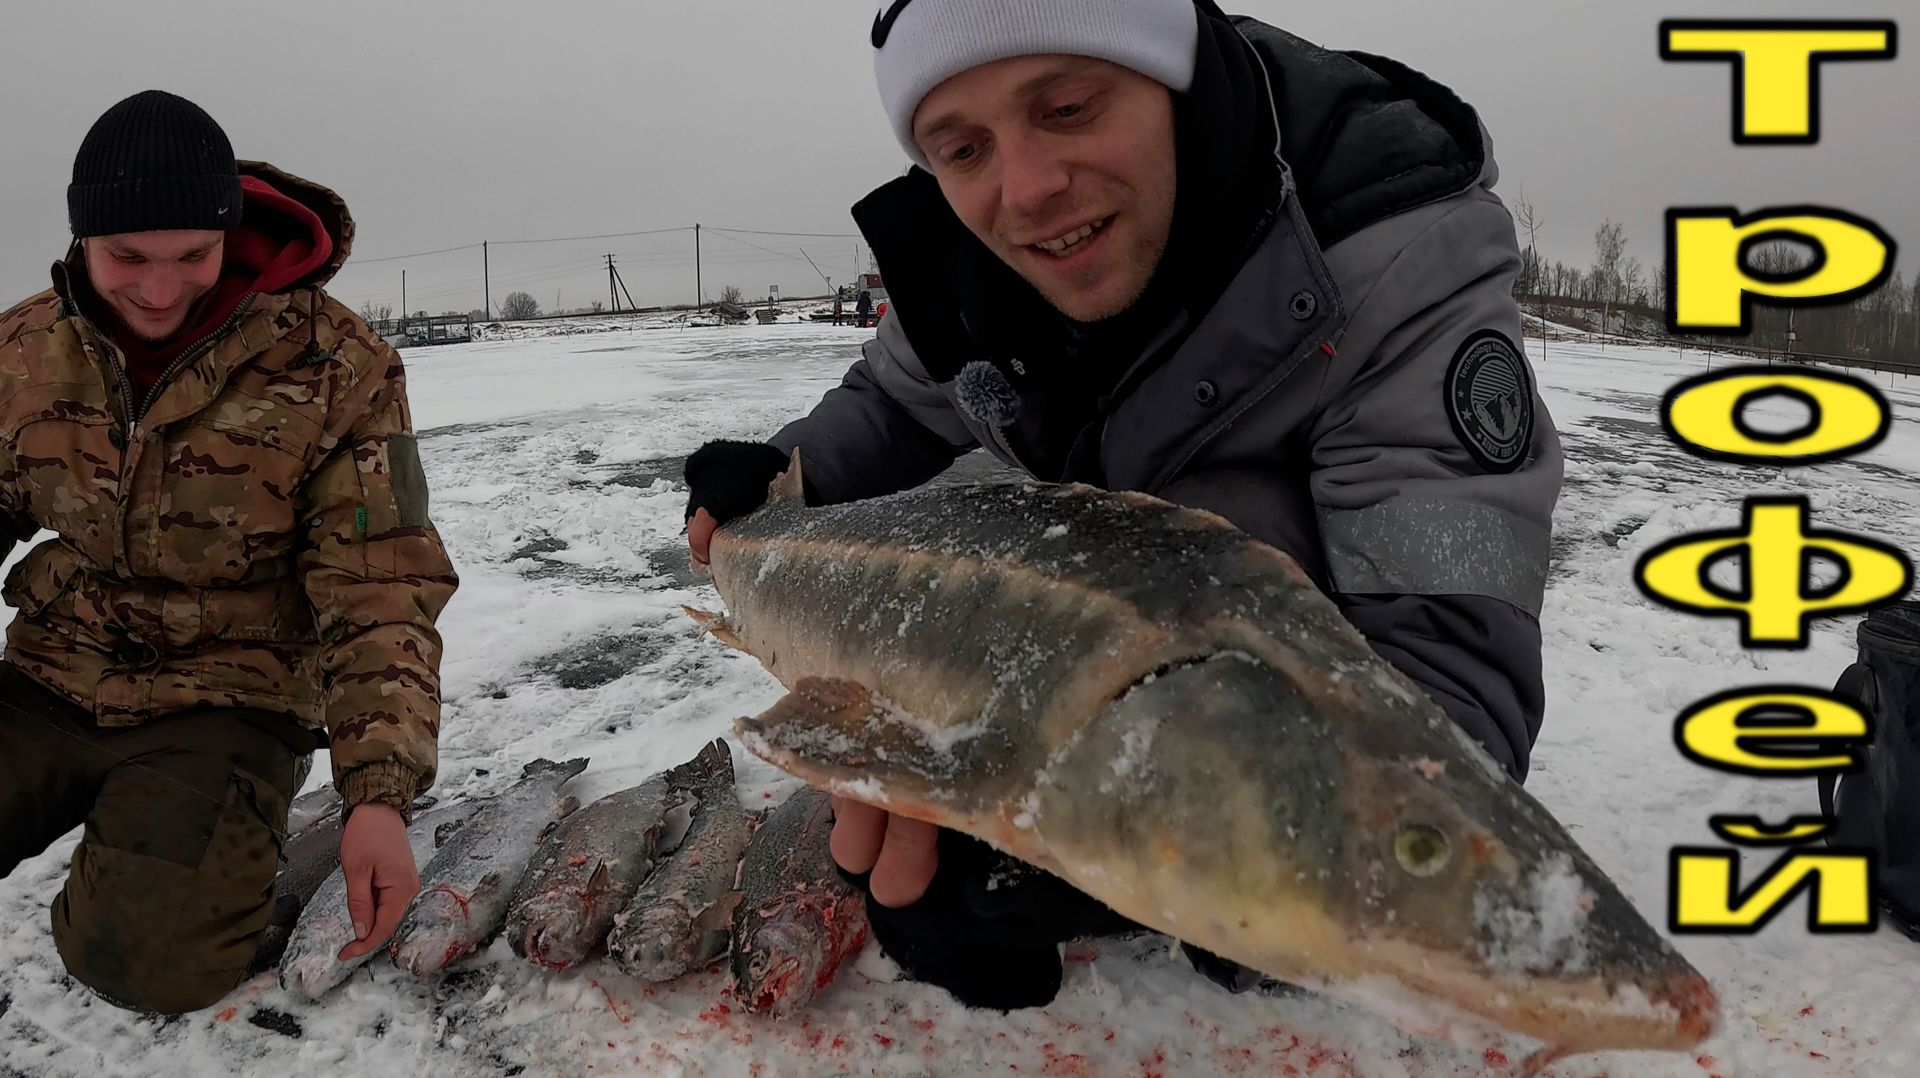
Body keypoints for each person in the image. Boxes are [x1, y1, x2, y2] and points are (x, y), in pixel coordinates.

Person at [684, 0, 1563, 1009]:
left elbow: (1451, 649)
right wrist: (786, 470)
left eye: (1066, 108)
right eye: (963, 148)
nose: (1026, 190)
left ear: (1171, 74)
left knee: (1228, 522)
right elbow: (896, 396)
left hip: (1262, 638)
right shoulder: (968, 245)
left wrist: (1171, 854)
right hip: (1111, 630)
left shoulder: (1396, 247)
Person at [0, 90, 458, 1014]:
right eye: (128, 257)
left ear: (228, 231)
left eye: (192, 257)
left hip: (230, 695)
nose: (160, 291)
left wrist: (377, 794)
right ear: (82, 238)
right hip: (52, 672)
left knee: (145, 960)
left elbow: (381, 581)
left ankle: (182, 839)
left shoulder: (342, 365)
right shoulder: (20, 350)